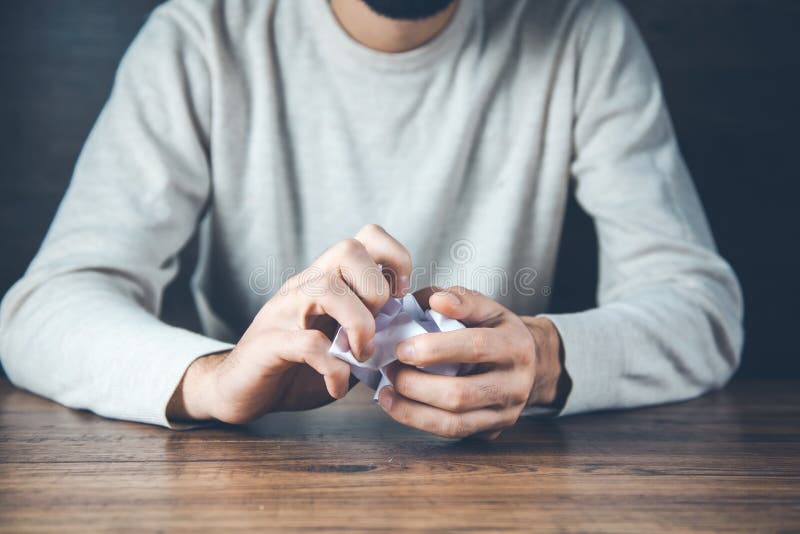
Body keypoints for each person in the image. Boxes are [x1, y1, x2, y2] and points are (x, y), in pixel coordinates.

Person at [0, 0, 743, 439]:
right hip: (252, 481)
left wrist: (544, 358)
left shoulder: (581, 31)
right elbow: (45, 308)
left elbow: (701, 311)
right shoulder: (203, 34)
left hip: (495, 483)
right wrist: (213, 381)